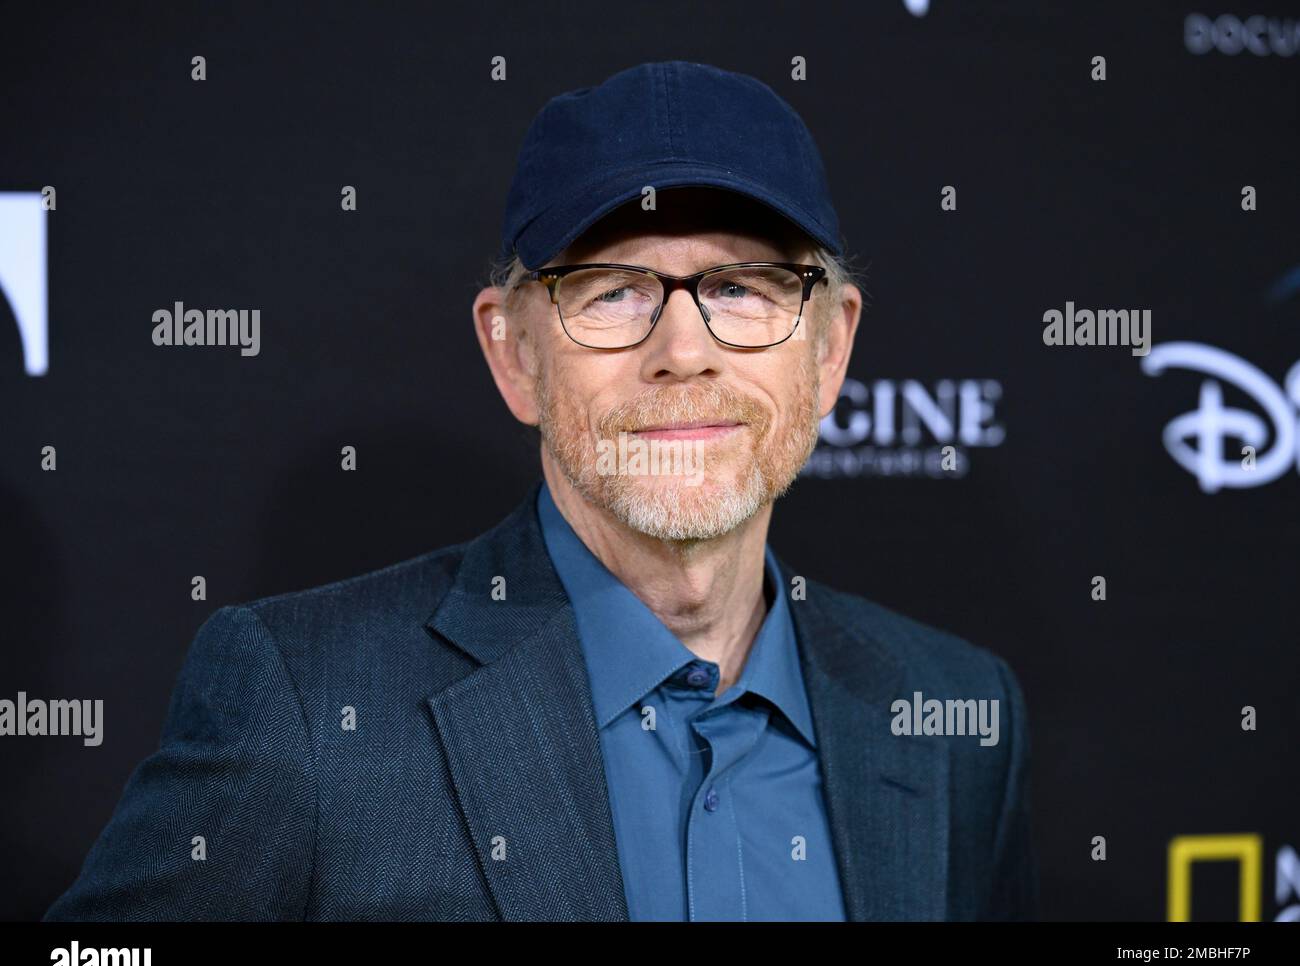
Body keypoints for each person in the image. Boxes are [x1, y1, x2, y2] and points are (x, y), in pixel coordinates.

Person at [44, 60, 1037, 922]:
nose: (683, 353)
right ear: (514, 352)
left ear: (829, 351)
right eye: (613, 292)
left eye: (741, 287)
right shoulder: (302, 706)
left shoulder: (951, 710)